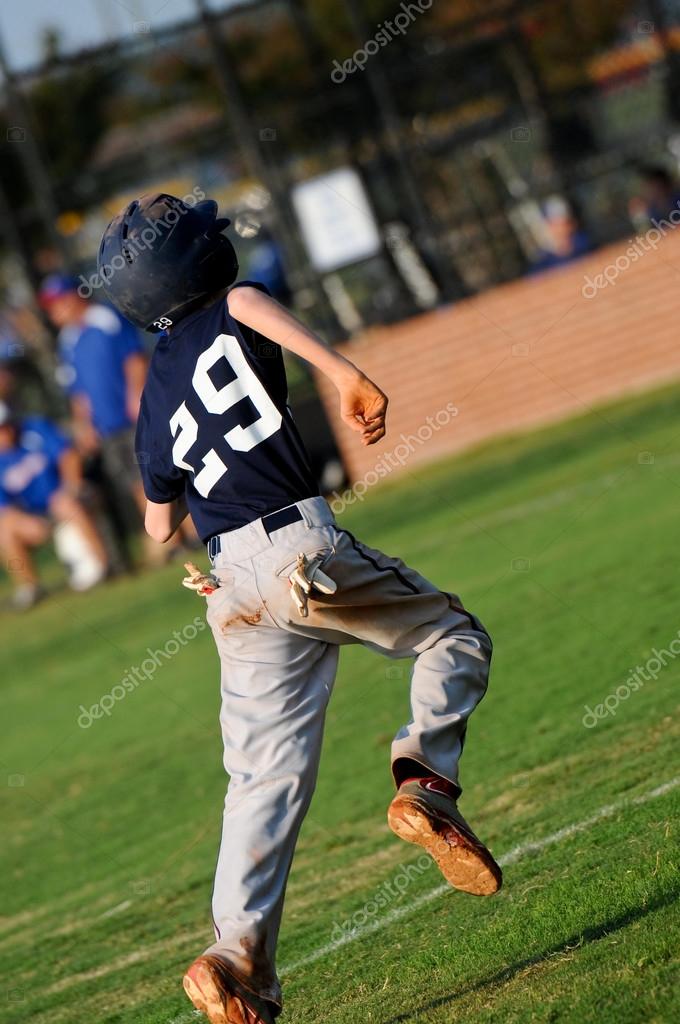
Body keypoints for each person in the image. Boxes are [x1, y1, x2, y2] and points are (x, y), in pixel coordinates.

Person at [98, 193, 501, 1024]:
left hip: (229, 585)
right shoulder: (233, 304)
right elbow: (257, 311)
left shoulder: (151, 397)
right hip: (299, 548)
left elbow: (155, 521)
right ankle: (424, 780)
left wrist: (195, 528)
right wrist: (348, 375)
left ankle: (234, 956)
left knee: (261, 780)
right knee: (452, 634)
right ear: (193, 261)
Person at [38, 274, 148, 527]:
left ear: (76, 295)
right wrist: (84, 424)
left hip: (132, 416)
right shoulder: (68, 340)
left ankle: (185, 535)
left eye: (59, 301)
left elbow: (134, 358)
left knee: (152, 475)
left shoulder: (105, 318)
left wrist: (136, 395)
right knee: (132, 480)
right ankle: (170, 541)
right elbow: (78, 391)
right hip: (106, 426)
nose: (55, 310)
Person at [0, 402, 108, 609]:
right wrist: (28, 521)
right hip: (35, 515)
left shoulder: (35, 429)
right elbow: (4, 508)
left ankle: (103, 566)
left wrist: (70, 487)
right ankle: (30, 588)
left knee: (66, 505)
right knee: (4, 529)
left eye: (4, 427)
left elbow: (68, 456)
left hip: (69, 497)